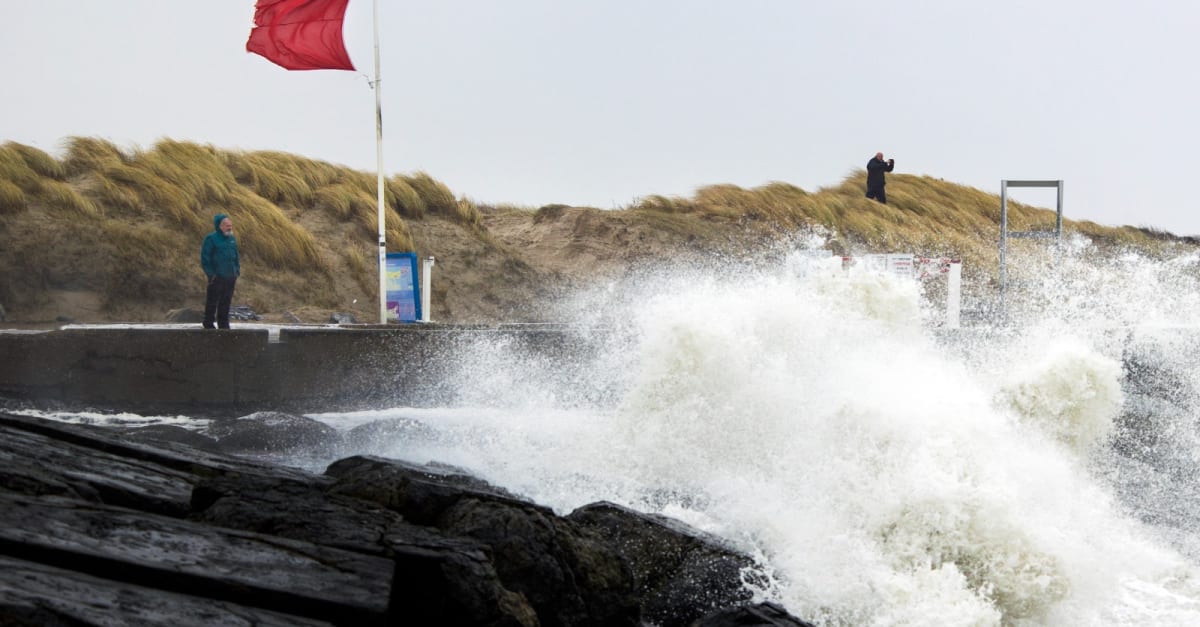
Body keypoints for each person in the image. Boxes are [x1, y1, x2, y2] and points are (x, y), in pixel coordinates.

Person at [200, 213, 240, 329]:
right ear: (219, 226)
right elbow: (205, 258)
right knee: (212, 301)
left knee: (226, 301)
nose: (229, 227)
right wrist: (211, 274)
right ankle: (208, 322)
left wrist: (237, 271)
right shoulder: (211, 239)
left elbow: (236, 256)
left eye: (230, 225)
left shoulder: (232, 239)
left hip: (230, 276)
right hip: (217, 276)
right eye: (227, 225)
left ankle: (223, 323)